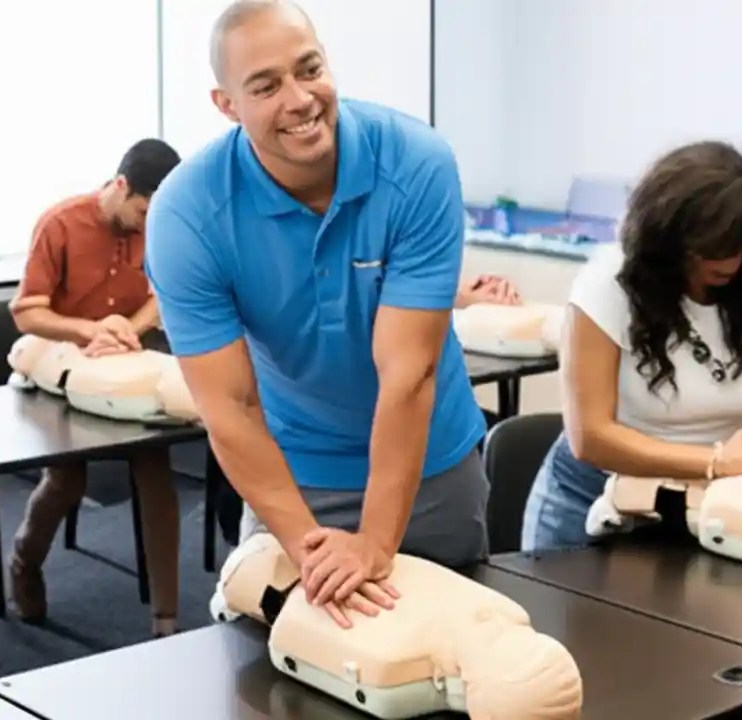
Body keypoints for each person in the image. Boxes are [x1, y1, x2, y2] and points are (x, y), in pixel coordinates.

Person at [144, 0, 489, 629]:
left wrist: (377, 542)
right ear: (227, 105)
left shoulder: (415, 164)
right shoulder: (188, 214)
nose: (300, 99)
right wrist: (311, 549)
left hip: (431, 467)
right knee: (277, 671)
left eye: (310, 69)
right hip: (292, 473)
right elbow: (232, 409)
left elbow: (407, 374)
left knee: (448, 660)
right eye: (266, 86)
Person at [521, 141, 742, 551]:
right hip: (593, 501)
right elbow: (590, 437)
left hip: (709, 505)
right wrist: (716, 461)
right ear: (667, 240)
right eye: (711, 248)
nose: (730, 263)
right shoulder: (609, 284)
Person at [8, 138, 183, 636]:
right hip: (61, 364)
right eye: (143, 211)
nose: (149, 224)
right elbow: (26, 313)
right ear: (121, 186)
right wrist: (89, 330)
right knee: (68, 479)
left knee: (156, 468)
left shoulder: (156, 225)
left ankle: (166, 619)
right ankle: (24, 561)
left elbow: (161, 296)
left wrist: (129, 326)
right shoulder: (60, 223)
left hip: (119, 365)